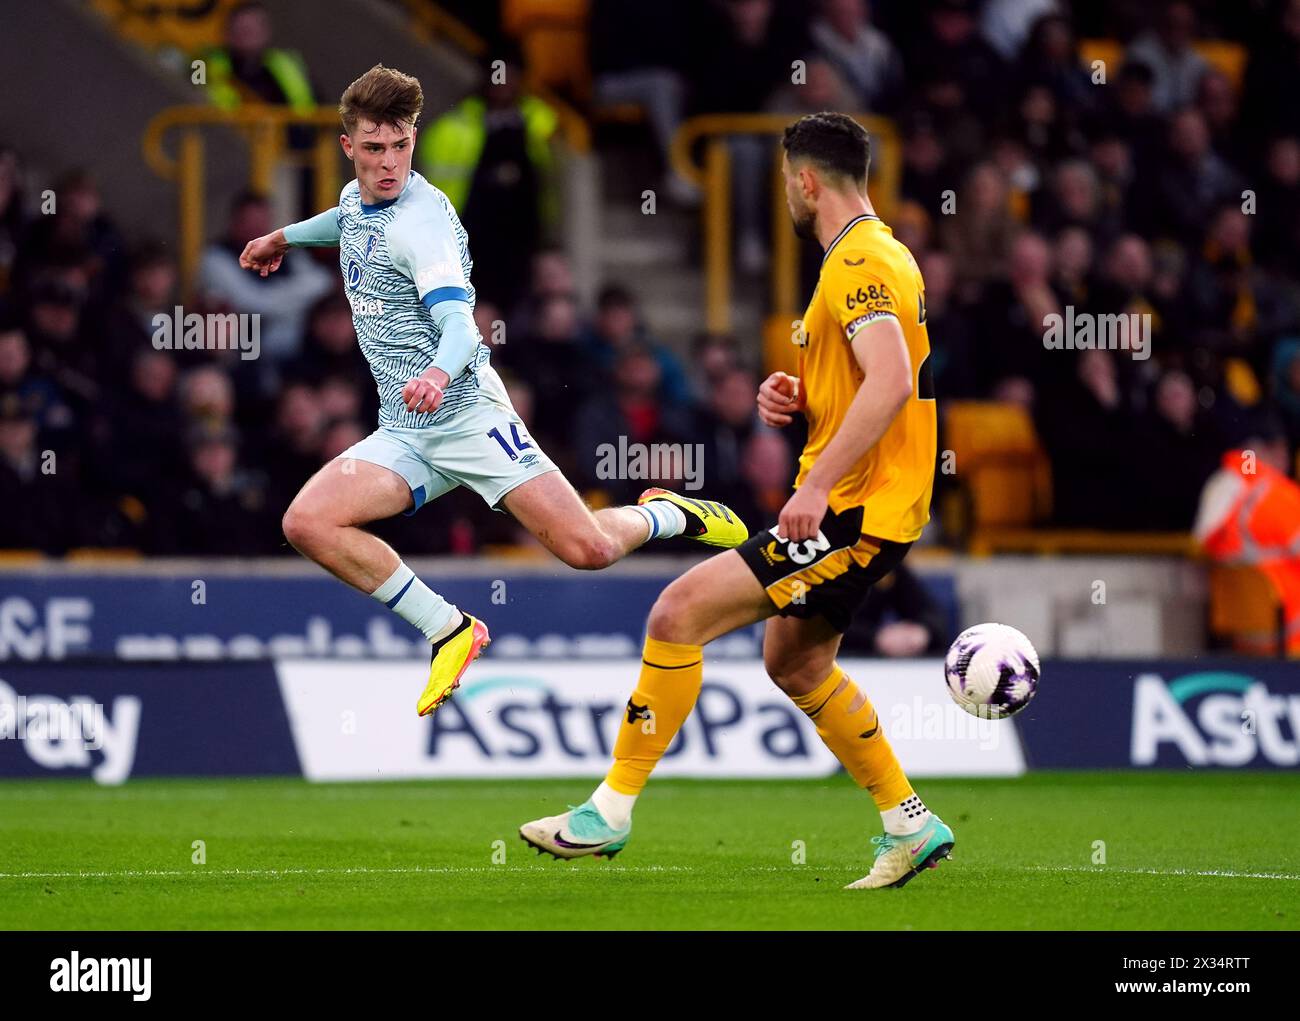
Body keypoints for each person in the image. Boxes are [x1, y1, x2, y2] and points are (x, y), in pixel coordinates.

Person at [520, 112, 952, 891]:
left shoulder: (854, 261)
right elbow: (881, 381)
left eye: (788, 179)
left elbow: (890, 381)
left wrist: (816, 486)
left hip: (856, 510)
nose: (786, 191)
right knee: (795, 660)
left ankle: (608, 812)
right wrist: (808, 398)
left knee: (676, 613)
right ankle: (910, 821)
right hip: (879, 503)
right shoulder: (887, 253)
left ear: (807, 180)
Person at [237, 65, 748, 718]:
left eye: (400, 147)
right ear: (349, 148)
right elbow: (346, 218)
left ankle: (671, 513)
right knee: (307, 521)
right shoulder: (358, 199)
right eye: (373, 148)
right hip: (407, 427)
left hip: (468, 416)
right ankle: (448, 627)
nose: (388, 163)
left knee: (588, 549)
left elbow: (458, 326)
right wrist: (284, 236)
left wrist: (437, 374)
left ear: (414, 141)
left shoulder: (422, 229)